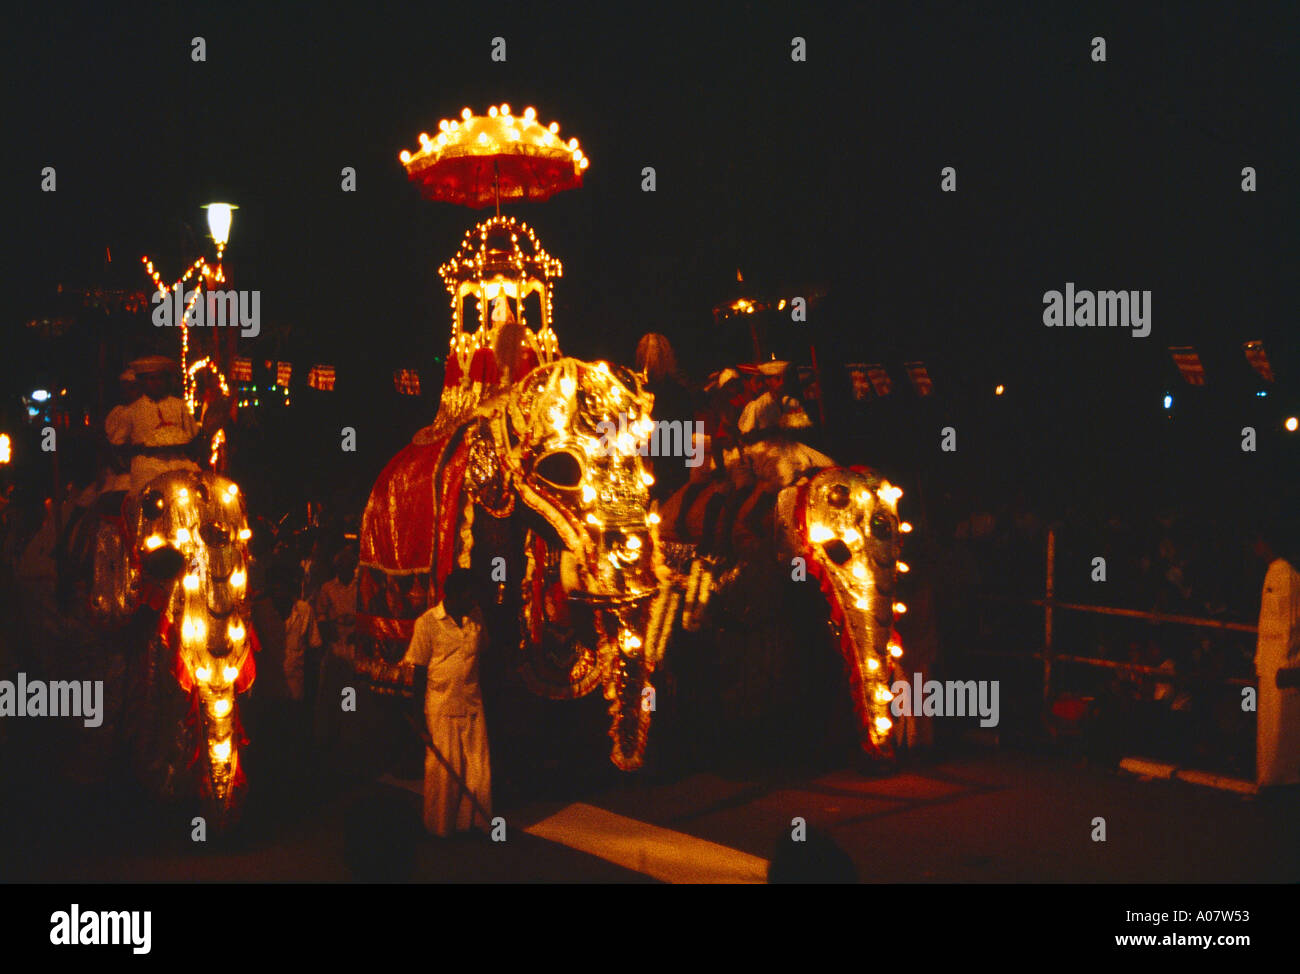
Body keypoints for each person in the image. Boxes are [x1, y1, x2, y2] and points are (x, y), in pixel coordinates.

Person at [400, 568, 492, 837]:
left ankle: (472, 823)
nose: (474, 600)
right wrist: (419, 716)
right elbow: (418, 670)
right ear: (453, 596)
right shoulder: (427, 622)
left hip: (472, 702)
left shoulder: (476, 617)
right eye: (470, 595)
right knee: (443, 769)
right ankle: (439, 828)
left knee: (476, 766)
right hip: (441, 703)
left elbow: (483, 650)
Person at [109, 356, 201, 494]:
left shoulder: (179, 405)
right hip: (147, 467)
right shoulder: (132, 411)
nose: (156, 383)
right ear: (143, 382)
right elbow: (118, 443)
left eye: (160, 379)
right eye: (151, 379)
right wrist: (137, 448)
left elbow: (193, 435)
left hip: (179, 463)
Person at [1253, 519, 1300, 789]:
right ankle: (1267, 777)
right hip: (1269, 661)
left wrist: (1290, 662)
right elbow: (1266, 623)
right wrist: (1260, 659)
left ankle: (1283, 780)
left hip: (1282, 662)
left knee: (1282, 726)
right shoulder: (1272, 573)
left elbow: (1292, 624)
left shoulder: (1289, 576)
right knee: (1268, 728)